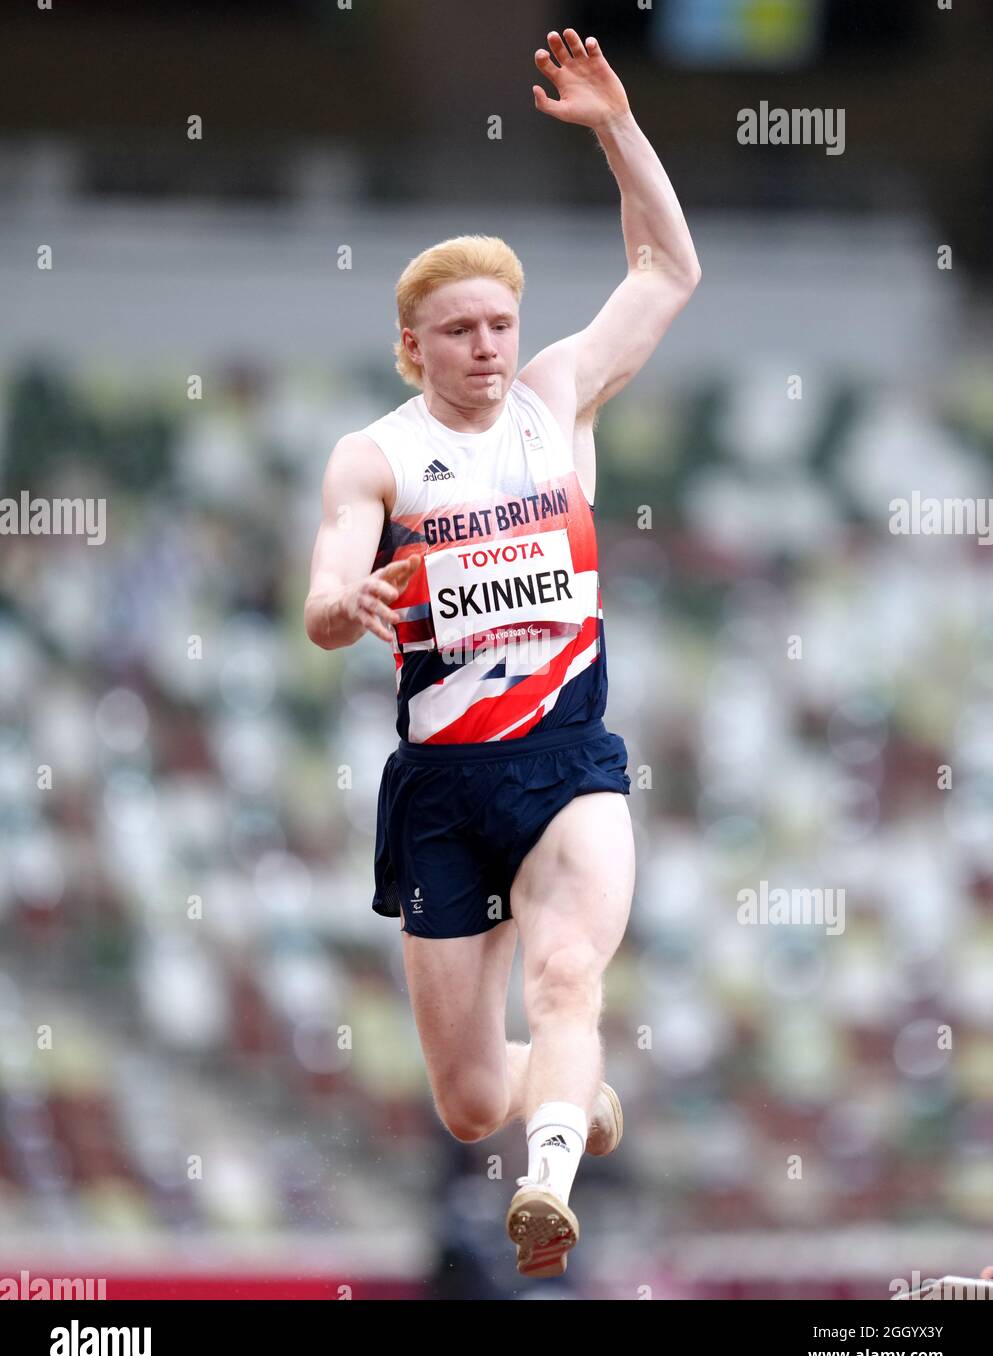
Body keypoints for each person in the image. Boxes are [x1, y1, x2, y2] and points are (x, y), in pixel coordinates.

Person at [305, 28, 701, 1278]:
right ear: (414, 347)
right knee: (470, 1095)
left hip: (569, 758)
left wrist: (615, 131)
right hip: (442, 784)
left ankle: (548, 1186)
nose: (488, 342)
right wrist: (341, 610)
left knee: (570, 974)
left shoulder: (555, 399)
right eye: (460, 329)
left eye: (500, 322)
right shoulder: (374, 455)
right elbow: (324, 586)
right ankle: (557, 1096)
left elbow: (668, 268)